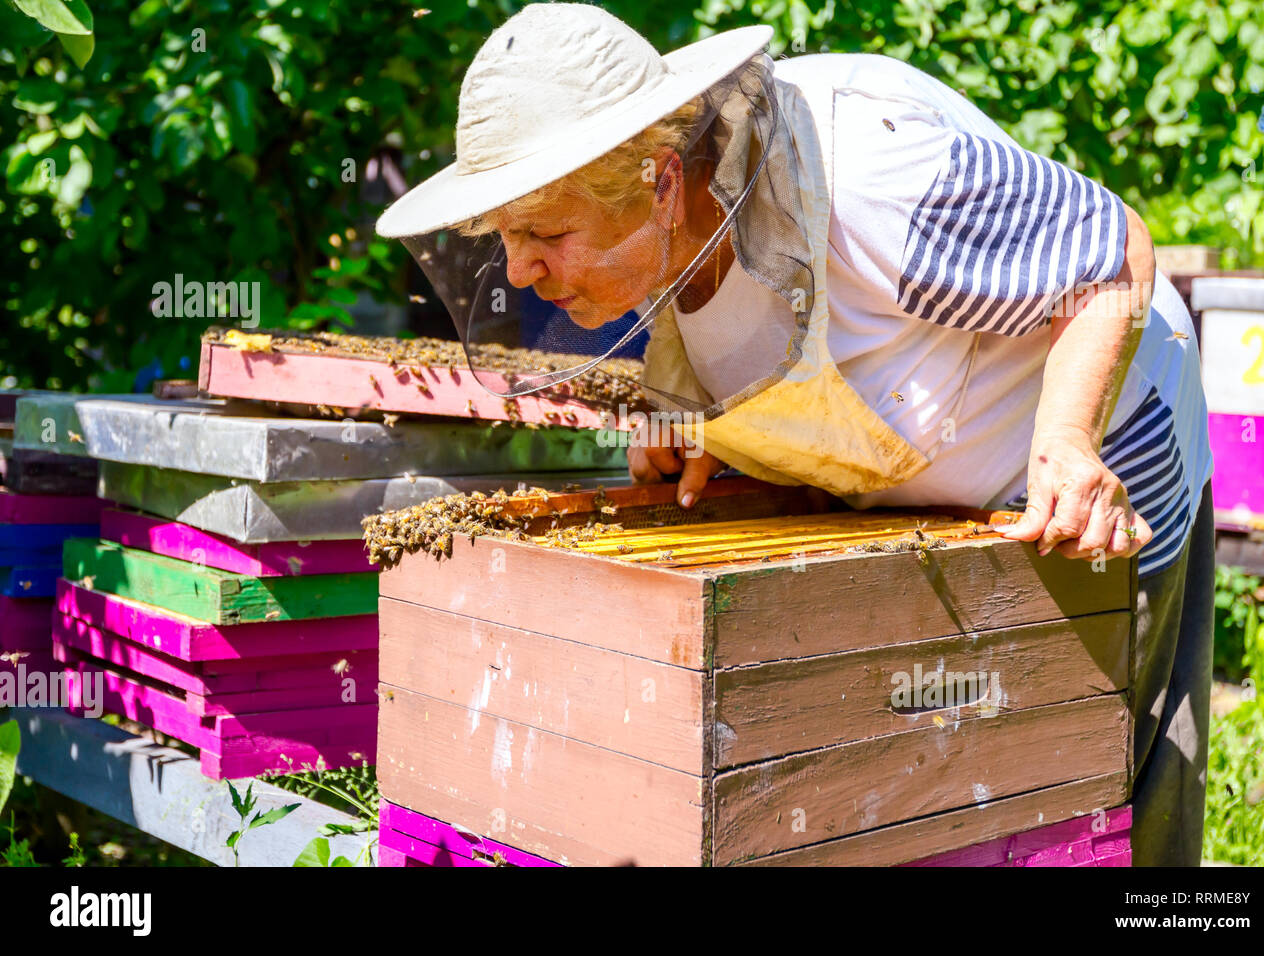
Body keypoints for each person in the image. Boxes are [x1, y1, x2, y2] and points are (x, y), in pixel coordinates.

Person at [375, 3, 1214, 866]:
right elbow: (784, 347)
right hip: (911, 511)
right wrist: (715, 430)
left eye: (545, 233)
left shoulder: (873, 176)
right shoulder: (662, 229)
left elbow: (1110, 255)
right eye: (506, 235)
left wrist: (1070, 442)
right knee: (921, 805)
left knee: (1089, 811)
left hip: (1091, 483)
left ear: (660, 181)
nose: (518, 270)